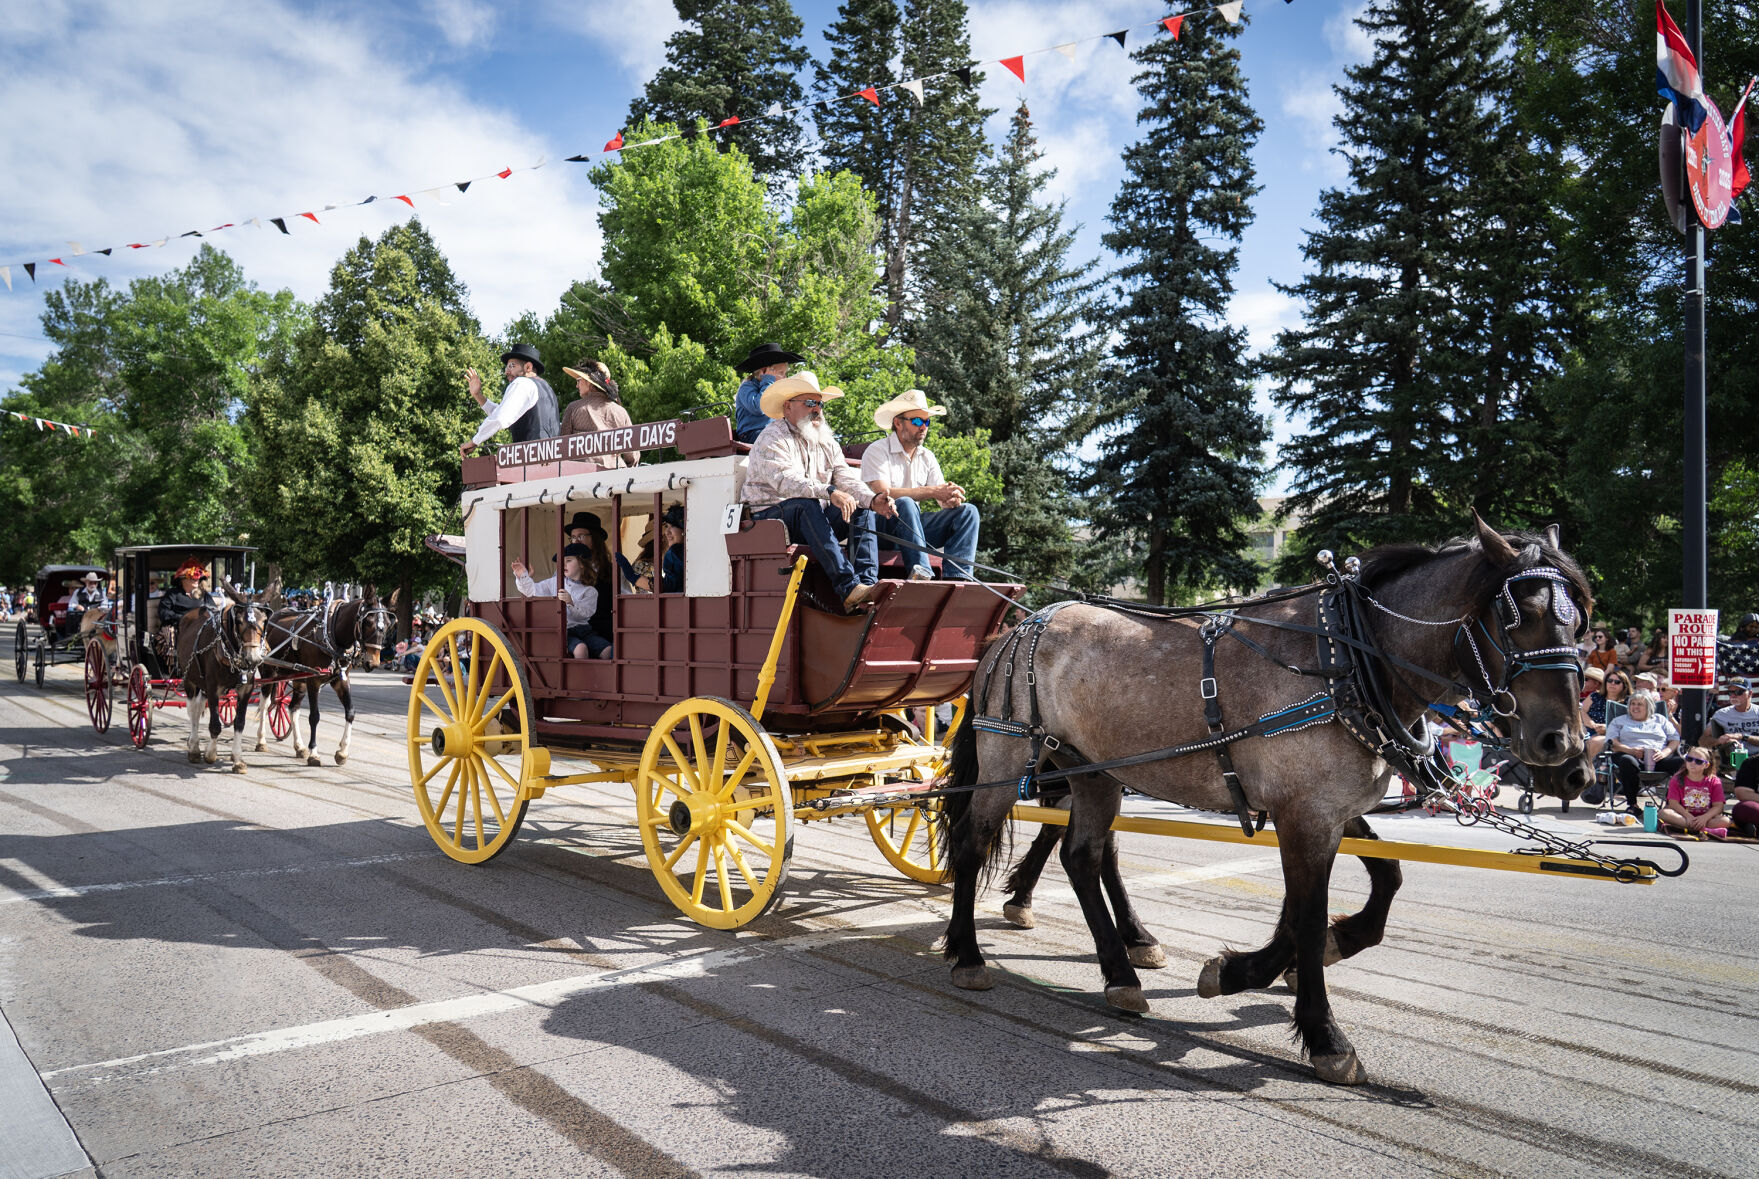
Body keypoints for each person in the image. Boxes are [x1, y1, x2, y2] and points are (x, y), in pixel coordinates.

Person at [741, 372, 898, 610]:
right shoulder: (772, 437)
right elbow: (786, 482)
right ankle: (848, 587)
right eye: (810, 403)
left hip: (809, 519)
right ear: (788, 407)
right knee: (807, 504)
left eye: (820, 404)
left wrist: (873, 499)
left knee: (860, 507)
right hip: (766, 518)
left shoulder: (825, 440)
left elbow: (845, 477)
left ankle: (866, 587)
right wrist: (830, 491)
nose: (817, 410)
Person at [860, 389, 981, 581]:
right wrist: (932, 491)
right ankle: (922, 574)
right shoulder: (877, 450)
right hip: (880, 528)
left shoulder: (927, 457)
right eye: (917, 421)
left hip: (913, 529)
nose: (923, 427)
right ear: (898, 423)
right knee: (905, 503)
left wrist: (951, 498)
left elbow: (941, 499)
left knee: (968, 512)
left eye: (927, 422)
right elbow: (884, 494)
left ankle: (958, 579)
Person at [461, 343, 559, 457]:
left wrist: (474, 441)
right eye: (506, 367)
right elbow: (503, 413)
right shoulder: (547, 388)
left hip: (532, 461)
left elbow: (500, 418)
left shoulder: (521, 383)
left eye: (512, 366)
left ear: (528, 367)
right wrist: (478, 395)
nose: (506, 371)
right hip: (552, 460)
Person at [512, 544, 608, 659]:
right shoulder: (555, 582)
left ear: (582, 564)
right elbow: (532, 591)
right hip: (564, 631)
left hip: (585, 630)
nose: (564, 564)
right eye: (561, 561)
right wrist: (523, 576)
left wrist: (571, 602)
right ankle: (578, 676)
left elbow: (586, 613)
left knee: (607, 650)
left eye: (568, 560)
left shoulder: (590, 591)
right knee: (581, 649)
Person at [1604, 692, 1682, 813]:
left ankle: (1671, 803)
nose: (1635, 707)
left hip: (1657, 758)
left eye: (1640, 704)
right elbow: (1612, 741)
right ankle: (1633, 805)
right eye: (1632, 704)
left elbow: (1675, 739)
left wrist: (1664, 753)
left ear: (1649, 707)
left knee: (1683, 762)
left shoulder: (1660, 719)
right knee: (1626, 760)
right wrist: (1630, 750)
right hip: (1631, 757)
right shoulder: (1619, 721)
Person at [559, 360, 636, 468]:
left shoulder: (574, 408)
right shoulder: (621, 412)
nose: (577, 385)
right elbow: (632, 454)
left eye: (578, 380)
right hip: (615, 474)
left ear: (588, 382)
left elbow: (563, 447)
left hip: (581, 474)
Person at [732, 342, 805, 444]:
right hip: (750, 434)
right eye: (781, 373)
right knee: (775, 438)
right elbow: (759, 407)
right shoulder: (747, 387)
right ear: (764, 371)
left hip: (772, 432)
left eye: (785, 373)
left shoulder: (777, 392)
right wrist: (768, 381)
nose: (785, 378)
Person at [563, 512, 616, 649]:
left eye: (580, 536)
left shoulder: (612, 570)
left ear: (595, 539)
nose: (575, 541)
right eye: (573, 538)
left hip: (603, 631)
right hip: (571, 631)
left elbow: (624, 598)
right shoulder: (563, 569)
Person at [1656, 747, 1728, 839]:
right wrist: (1688, 816)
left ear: (1706, 765)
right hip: (1683, 816)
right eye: (1689, 759)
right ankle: (1705, 830)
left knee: (1725, 821)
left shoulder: (1714, 781)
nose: (1692, 763)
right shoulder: (1677, 779)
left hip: (1706, 818)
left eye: (1698, 761)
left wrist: (1704, 818)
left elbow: (1718, 806)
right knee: (1663, 813)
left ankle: (1691, 827)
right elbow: (1673, 803)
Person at [157, 560, 208, 656]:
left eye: (198, 577)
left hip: (199, 627)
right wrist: (181, 618)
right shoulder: (173, 593)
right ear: (183, 579)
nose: (197, 579)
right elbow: (163, 612)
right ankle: (174, 664)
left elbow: (210, 610)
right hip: (178, 627)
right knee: (169, 633)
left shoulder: (203, 594)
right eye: (193, 577)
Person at [1706, 678, 1759, 768]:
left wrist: (1742, 736)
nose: (1733, 695)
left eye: (1738, 692)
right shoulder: (1721, 714)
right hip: (1735, 759)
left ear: (1750, 693)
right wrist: (1719, 740)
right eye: (1730, 692)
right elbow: (1703, 740)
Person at [657, 504, 685, 594]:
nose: (666, 532)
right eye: (666, 526)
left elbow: (669, 586)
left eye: (672, 526)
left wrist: (635, 578)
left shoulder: (674, 553)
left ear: (684, 530)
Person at [73, 571, 109, 637]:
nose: (92, 585)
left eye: (94, 583)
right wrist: (77, 606)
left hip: (96, 618)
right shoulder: (78, 592)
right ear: (86, 582)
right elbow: (71, 604)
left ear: (97, 584)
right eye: (90, 582)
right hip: (81, 617)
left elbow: (105, 605)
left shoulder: (102, 593)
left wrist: (101, 608)